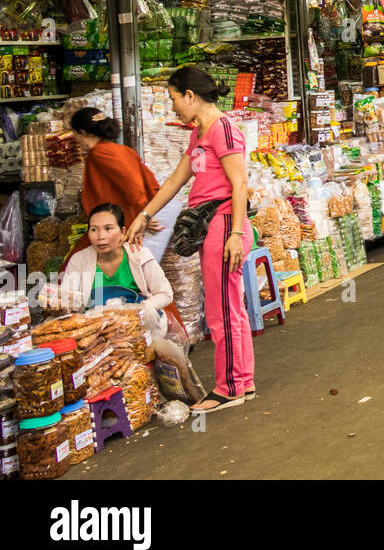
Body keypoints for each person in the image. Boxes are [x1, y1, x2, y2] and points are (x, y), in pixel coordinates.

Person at [127, 65, 253, 413]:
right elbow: (174, 181)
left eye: (173, 99)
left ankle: (229, 388)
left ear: (190, 96)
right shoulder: (200, 133)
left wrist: (237, 234)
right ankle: (243, 380)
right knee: (229, 306)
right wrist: (144, 215)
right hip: (215, 225)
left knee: (221, 309)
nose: (173, 107)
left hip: (225, 222)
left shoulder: (223, 131)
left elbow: (239, 184)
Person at [45, 203, 174, 342]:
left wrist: (140, 309)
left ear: (123, 232)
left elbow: (165, 294)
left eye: (108, 228)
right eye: (94, 230)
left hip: (138, 326)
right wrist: (58, 307)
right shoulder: (79, 260)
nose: (100, 236)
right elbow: (68, 304)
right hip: (94, 333)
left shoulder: (139, 255)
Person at [70, 107, 167, 260]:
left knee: (77, 268)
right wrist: (148, 213)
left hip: (119, 226)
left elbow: (133, 186)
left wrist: (143, 216)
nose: (75, 139)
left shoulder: (99, 154)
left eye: (75, 133)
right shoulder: (124, 150)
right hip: (123, 224)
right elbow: (151, 183)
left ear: (83, 132)